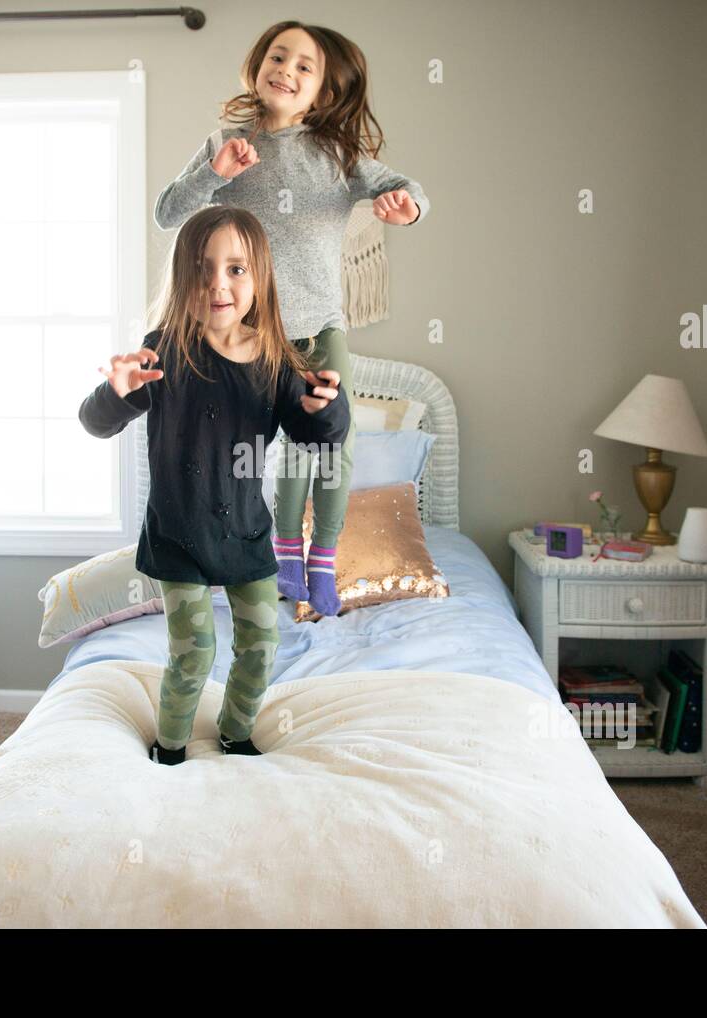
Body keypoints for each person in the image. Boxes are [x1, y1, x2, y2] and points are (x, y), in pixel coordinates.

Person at [154, 20, 430, 615]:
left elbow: (408, 189)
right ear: (257, 65)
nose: (288, 69)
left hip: (320, 325)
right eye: (278, 56)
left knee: (333, 444)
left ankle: (321, 562)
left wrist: (406, 208)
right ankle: (279, 553)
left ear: (323, 92)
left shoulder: (336, 154)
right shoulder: (226, 142)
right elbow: (168, 212)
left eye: (305, 66)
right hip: (253, 335)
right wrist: (216, 174)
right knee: (265, 451)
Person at [78, 205, 350, 764]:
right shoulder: (165, 349)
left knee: (260, 647)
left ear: (260, 279)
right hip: (178, 537)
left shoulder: (276, 361)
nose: (218, 284)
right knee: (193, 654)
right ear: (183, 277)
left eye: (235, 269)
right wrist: (118, 392)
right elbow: (95, 422)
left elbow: (318, 439)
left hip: (247, 536)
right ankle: (170, 748)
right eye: (202, 269)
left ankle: (235, 730)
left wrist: (326, 405)